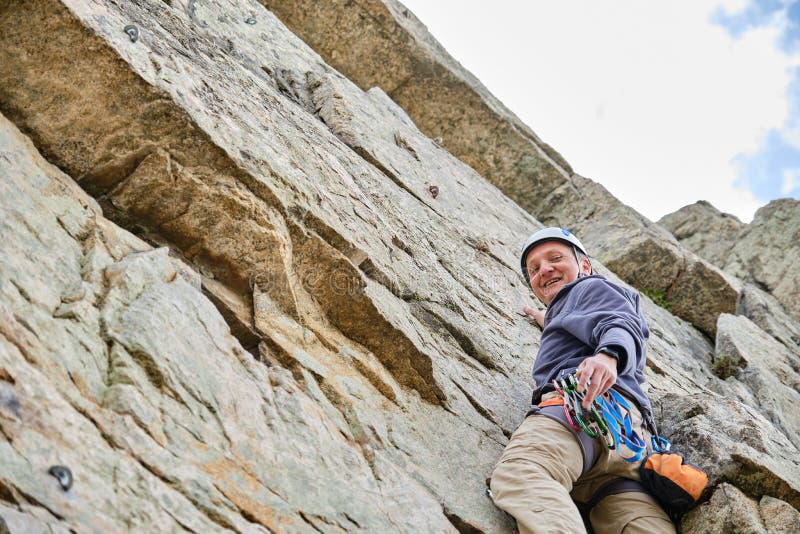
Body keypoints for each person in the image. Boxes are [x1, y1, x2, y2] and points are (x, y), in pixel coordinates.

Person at [489, 227, 675, 534]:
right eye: (534, 269)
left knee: (523, 473)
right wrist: (546, 319)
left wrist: (608, 355)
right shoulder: (571, 306)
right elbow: (583, 318)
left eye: (555, 258)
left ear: (585, 266)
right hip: (628, 449)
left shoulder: (588, 288)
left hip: (582, 412)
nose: (544, 269)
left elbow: (619, 321)